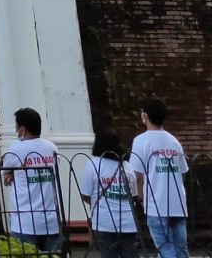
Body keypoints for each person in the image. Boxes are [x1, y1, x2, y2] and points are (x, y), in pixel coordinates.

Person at [130, 97, 189, 258]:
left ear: (145, 116)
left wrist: (141, 198)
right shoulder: (173, 141)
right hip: (177, 204)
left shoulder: (141, 142)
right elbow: (182, 172)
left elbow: (137, 176)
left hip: (156, 204)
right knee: (181, 250)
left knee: (165, 249)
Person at [1, 107, 63, 253]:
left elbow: (6, 174)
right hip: (51, 220)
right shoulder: (51, 148)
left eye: (16, 127)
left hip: (25, 222)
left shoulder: (15, 150)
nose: (16, 131)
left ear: (23, 129)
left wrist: (13, 174)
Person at [80, 128, 136, 258]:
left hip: (104, 222)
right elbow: (133, 196)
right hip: (128, 223)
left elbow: (85, 195)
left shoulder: (93, 164)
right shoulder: (126, 166)